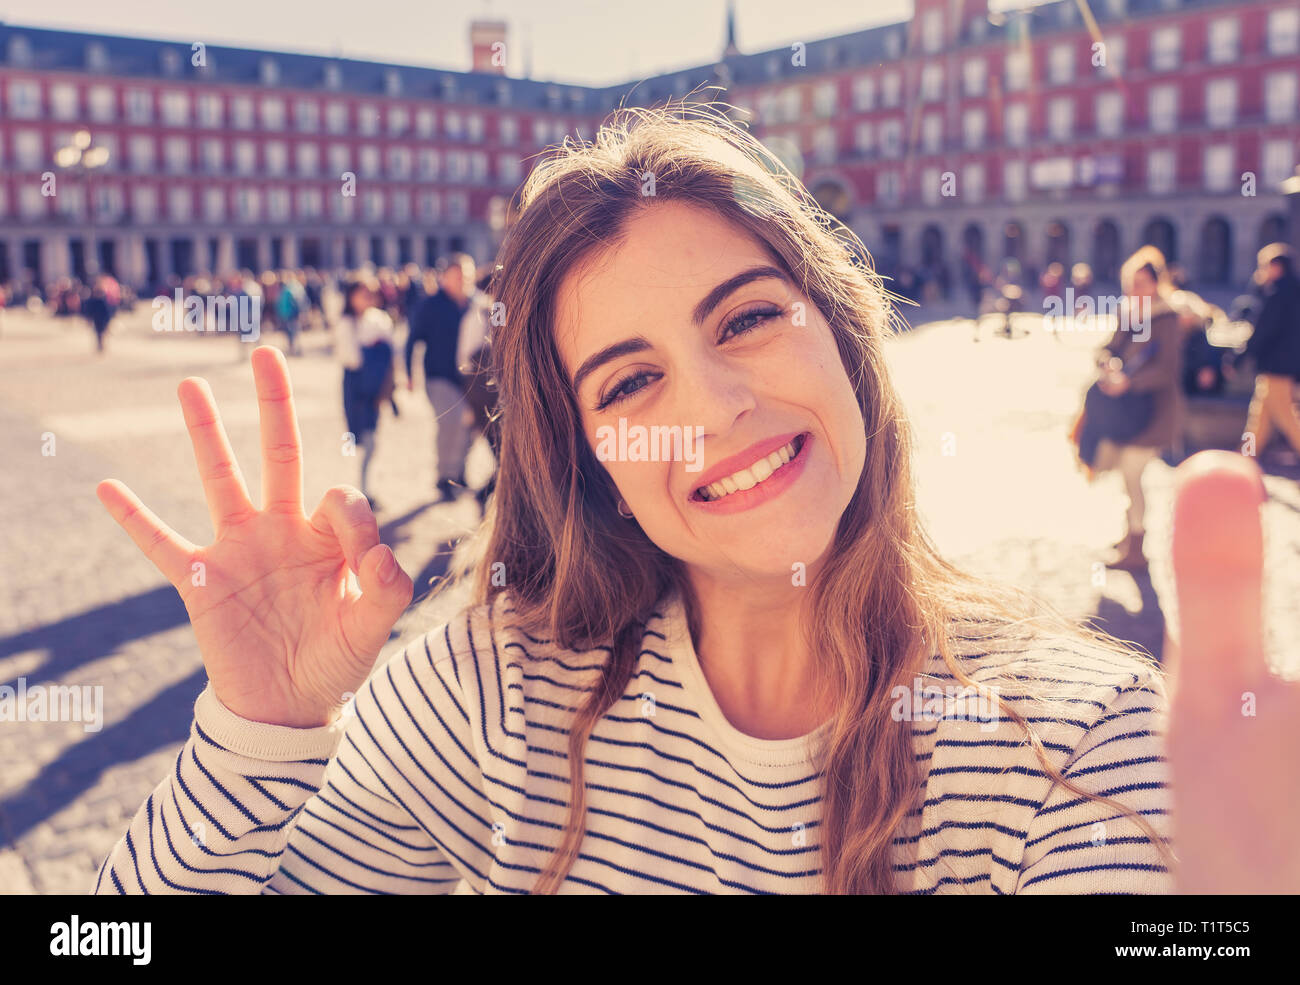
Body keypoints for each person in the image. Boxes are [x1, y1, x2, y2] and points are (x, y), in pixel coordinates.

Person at [90, 104, 1294, 895]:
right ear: (587, 459)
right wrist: (257, 733)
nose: (715, 404)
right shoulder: (495, 693)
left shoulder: (1071, 744)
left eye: (750, 316)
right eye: (629, 380)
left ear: (846, 336)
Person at [1074, 247, 1183, 572]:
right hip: (1126, 411)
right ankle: (1129, 536)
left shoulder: (1166, 316)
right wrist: (1106, 361)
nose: (1137, 289)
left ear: (1156, 283)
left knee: (1133, 474)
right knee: (1126, 475)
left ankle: (1137, 547)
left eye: (1143, 283)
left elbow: (1167, 369)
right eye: (1132, 283)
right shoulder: (1129, 312)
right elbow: (1110, 345)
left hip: (1155, 412)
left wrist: (1129, 383)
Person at [406, 253, 475, 502]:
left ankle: (458, 472)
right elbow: (412, 338)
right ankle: (443, 477)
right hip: (438, 375)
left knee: (471, 426)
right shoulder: (430, 304)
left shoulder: (473, 303)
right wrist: (408, 373)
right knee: (450, 423)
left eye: (466, 275)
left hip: (468, 377)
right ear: (445, 277)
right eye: (457, 275)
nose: (462, 280)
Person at [336, 279, 396, 512]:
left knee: (371, 438)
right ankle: (359, 487)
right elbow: (352, 358)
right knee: (355, 437)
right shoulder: (346, 323)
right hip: (356, 386)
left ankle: (365, 487)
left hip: (376, 384)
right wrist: (375, 350)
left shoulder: (379, 319)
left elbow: (390, 352)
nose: (365, 299)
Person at [1242, 243, 1300, 464]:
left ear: (1276, 267)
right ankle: (1246, 457)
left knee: (1287, 419)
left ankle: (1246, 457)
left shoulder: (1278, 294)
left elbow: (1263, 331)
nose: (1260, 272)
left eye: (1264, 266)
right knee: (1258, 419)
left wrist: (1239, 358)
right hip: (1282, 366)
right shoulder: (1292, 291)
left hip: (1277, 366)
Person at [81, 274, 118, 354]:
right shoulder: (97, 299)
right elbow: (91, 309)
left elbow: (105, 310)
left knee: (100, 332)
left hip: (100, 319)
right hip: (98, 319)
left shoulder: (100, 299)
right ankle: (100, 345)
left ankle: (100, 345)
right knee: (99, 332)